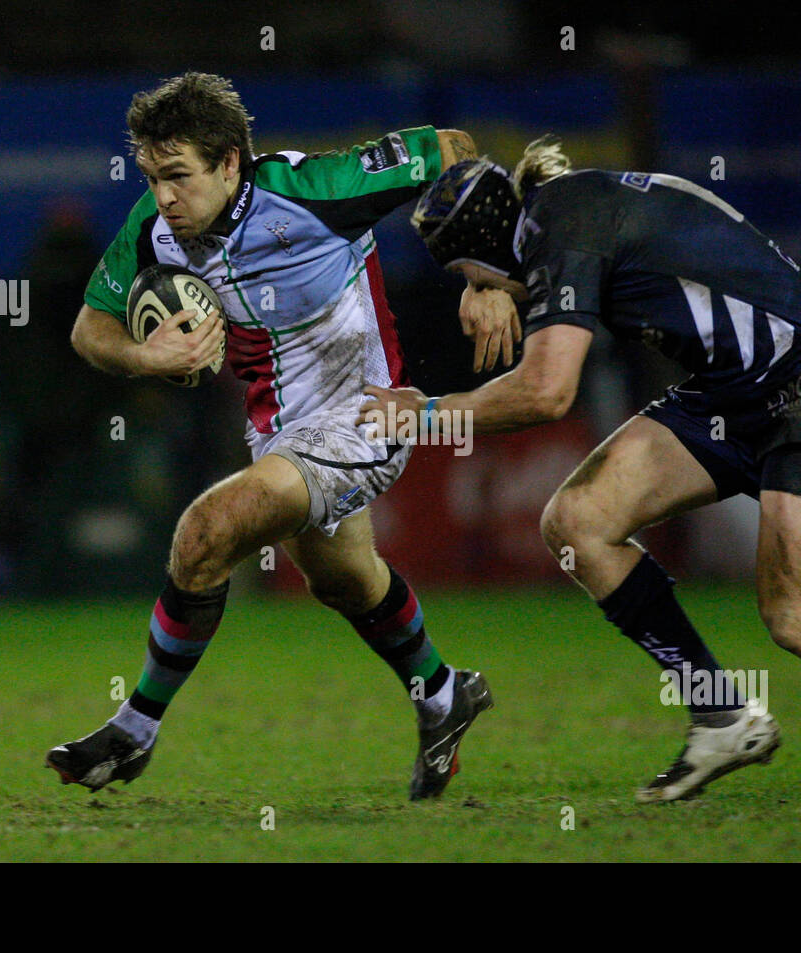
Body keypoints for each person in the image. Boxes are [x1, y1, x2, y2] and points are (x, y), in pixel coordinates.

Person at [359, 136, 801, 805]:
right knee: (580, 522)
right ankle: (723, 717)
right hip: (732, 391)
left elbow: (548, 390)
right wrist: (500, 283)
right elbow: (537, 284)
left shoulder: (563, 221)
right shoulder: (562, 210)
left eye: (462, 273)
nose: (466, 291)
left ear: (481, 244)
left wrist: (421, 413)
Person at [47, 73, 516, 800]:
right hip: (278, 433)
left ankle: (135, 726)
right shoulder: (154, 228)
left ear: (230, 162)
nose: (163, 195)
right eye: (150, 176)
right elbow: (89, 327)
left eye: (177, 176)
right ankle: (442, 691)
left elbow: (454, 150)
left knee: (207, 531)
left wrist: (486, 277)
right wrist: (147, 356)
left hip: (368, 416)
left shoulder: (316, 188)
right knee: (343, 580)